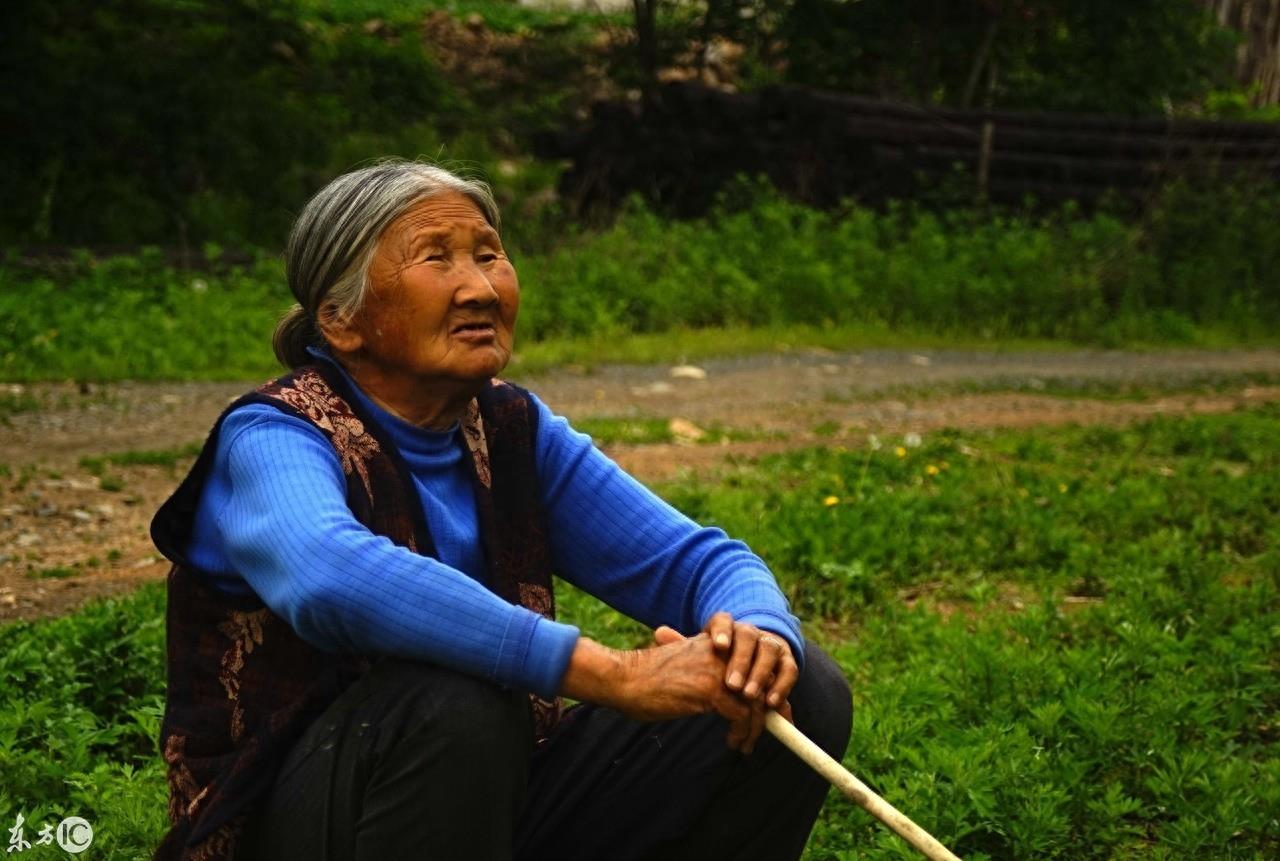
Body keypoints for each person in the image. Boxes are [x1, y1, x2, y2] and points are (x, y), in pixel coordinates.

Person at [150, 160, 851, 861]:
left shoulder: (510, 427)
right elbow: (328, 574)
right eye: (437, 258)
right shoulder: (275, 435)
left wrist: (757, 637)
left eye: (490, 254)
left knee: (801, 687)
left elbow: (696, 561)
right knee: (458, 702)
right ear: (341, 319)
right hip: (294, 817)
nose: (482, 287)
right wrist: (614, 673)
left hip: (480, 793)